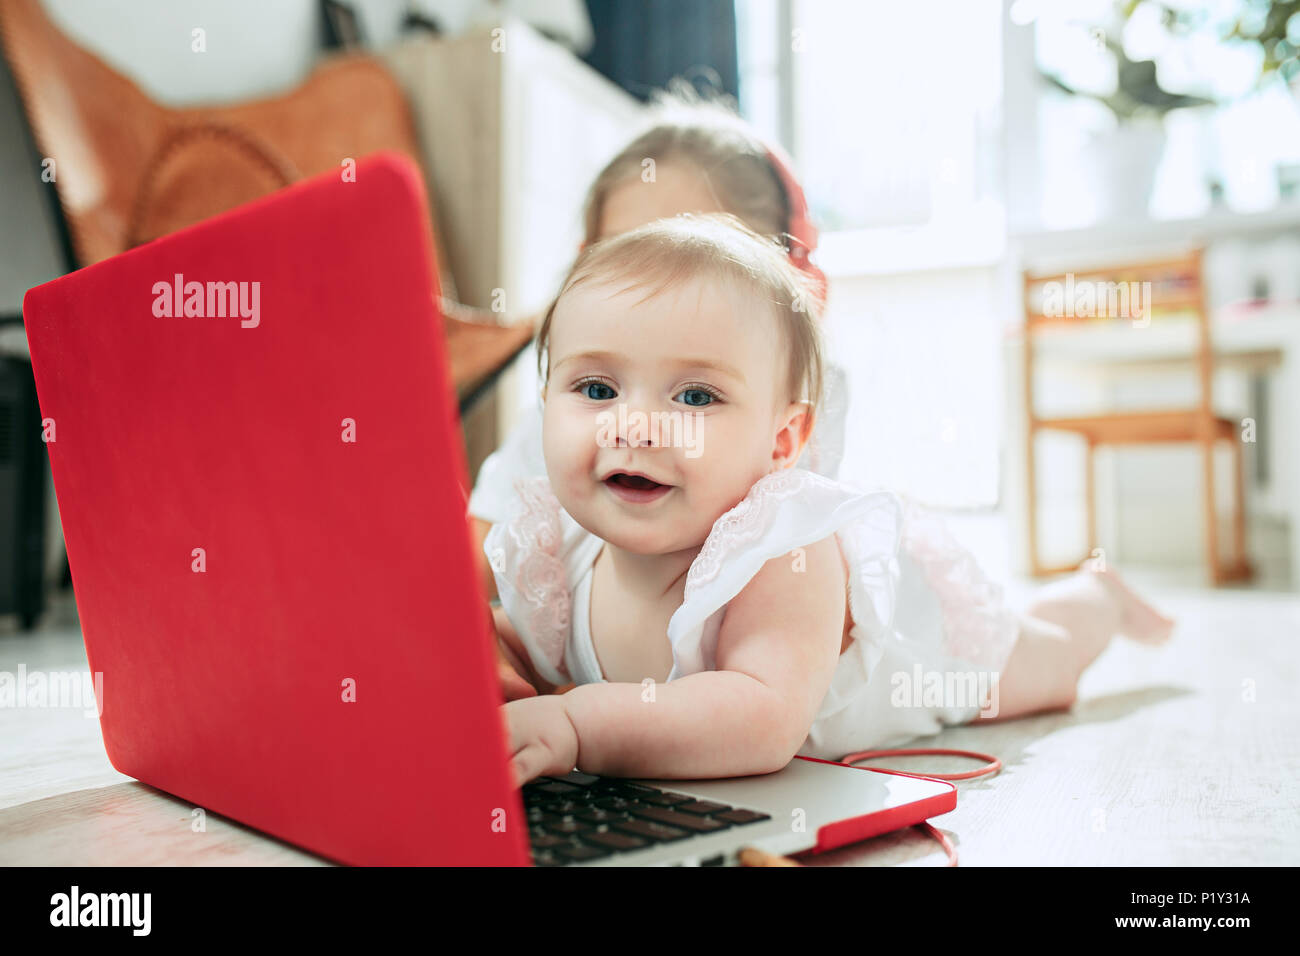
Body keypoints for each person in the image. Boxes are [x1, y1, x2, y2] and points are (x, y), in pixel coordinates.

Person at [485, 214, 1174, 784]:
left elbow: (762, 718)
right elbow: (529, 642)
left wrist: (577, 722)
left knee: (1045, 665)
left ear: (783, 441)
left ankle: (1098, 598)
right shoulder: (557, 554)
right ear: (546, 402)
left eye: (695, 396)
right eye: (597, 389)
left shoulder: (783, 549)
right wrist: (487, 662)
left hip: (929, 653)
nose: (632, 425)